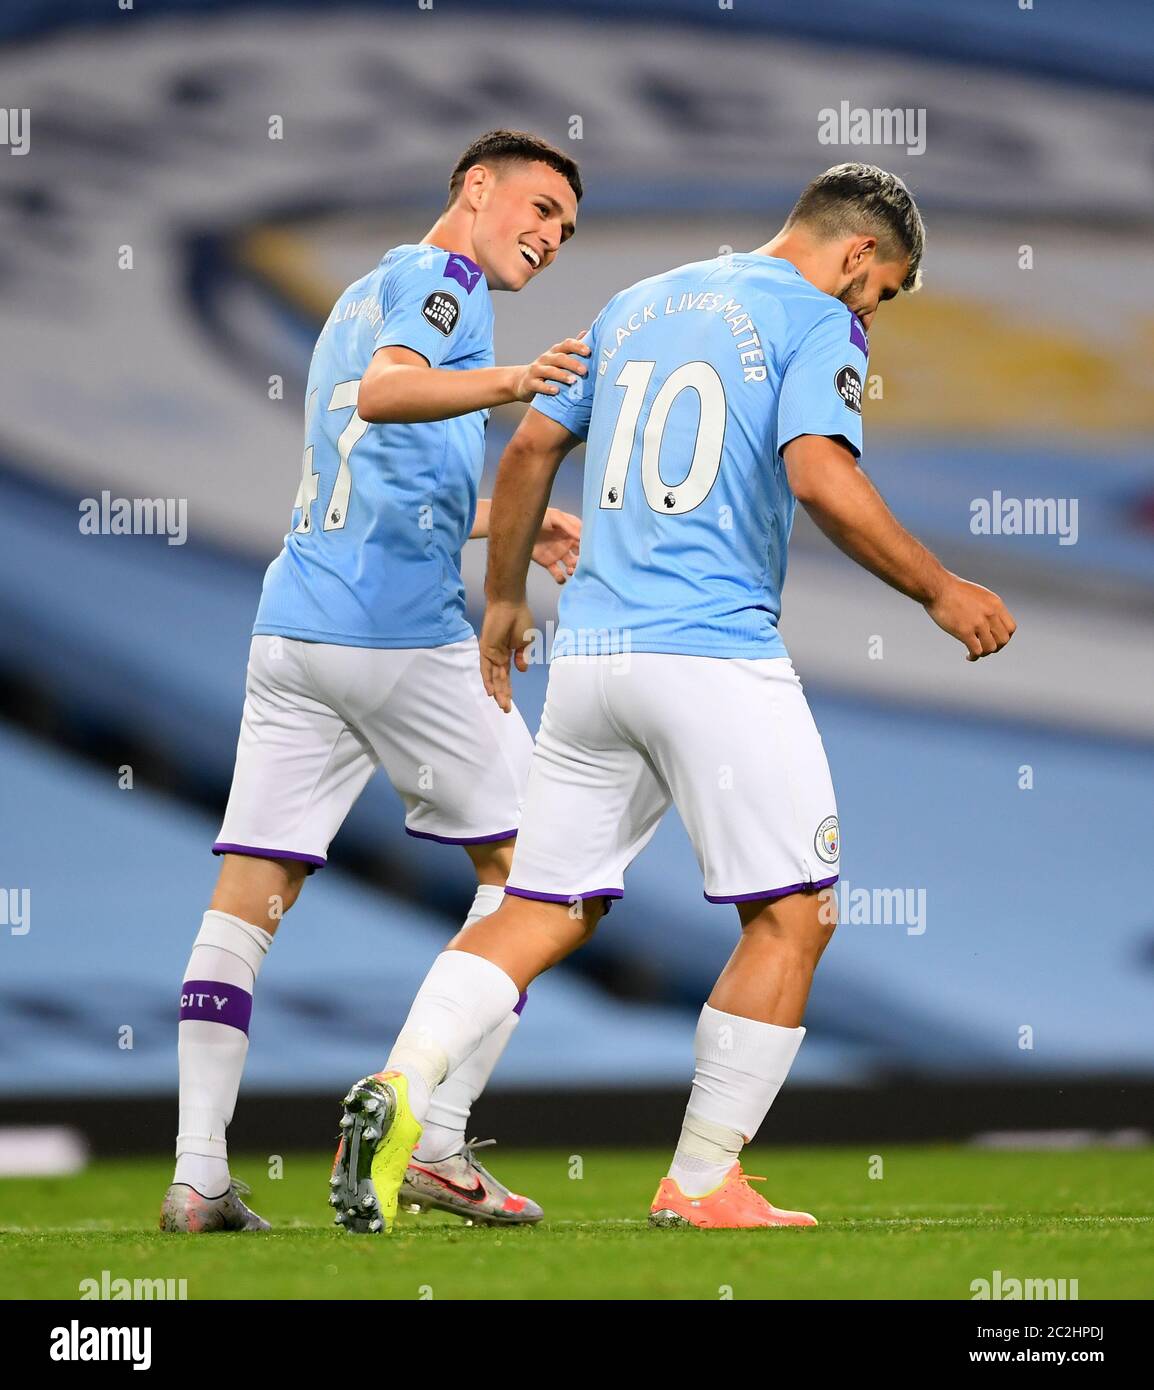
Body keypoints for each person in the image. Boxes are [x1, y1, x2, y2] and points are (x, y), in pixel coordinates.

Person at [332, 162, 1015, 1234]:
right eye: (877, 291)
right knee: (793, 914)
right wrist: (938, 587)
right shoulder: (817, 321)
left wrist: (504, 599)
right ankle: (701, 1181)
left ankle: (398, 1089)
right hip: (710, 656)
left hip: (591, 659)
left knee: (538, 906)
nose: (869, 313)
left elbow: (529, 450)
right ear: (855, 255)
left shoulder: (635, 302)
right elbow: (817, 474)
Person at [161, 130, 590, 1233]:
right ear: (472, 189)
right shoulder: (441, 283)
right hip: (396, 638)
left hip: (297, 625)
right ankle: (434, 1137)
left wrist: (514, 520)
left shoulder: (367, 289)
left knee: (251, 893)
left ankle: (197, 1175)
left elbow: (387, 477)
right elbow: (390, 394)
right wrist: (513, 380)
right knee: (546, 879)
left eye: (564, 227)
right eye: (536, 207)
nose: (546, 236)